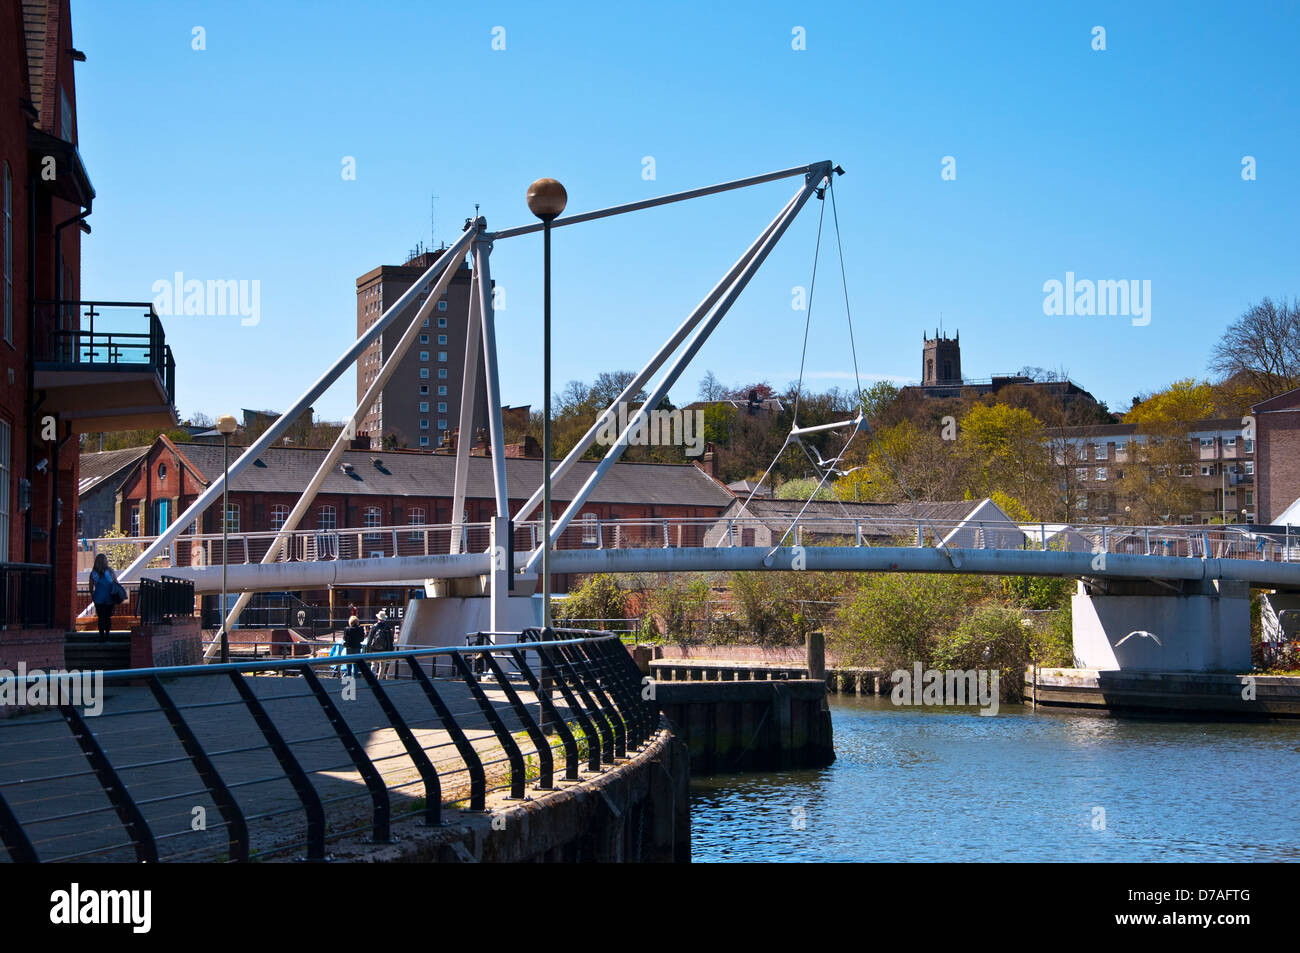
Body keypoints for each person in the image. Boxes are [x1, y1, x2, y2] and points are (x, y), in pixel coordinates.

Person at [88, 554, 121, 643]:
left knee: (101, 617)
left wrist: (93, 595)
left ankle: (101, 636)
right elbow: (115, 582)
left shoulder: (93, 573)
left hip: (98, 598)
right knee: (107, 617)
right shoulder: (109, 571)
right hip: (109, 597)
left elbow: (91, 587)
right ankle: (107, 636)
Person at [366, 609, 396, 677]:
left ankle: (372, 679)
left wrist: (368, 650)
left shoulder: (374, 627)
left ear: (378, 618)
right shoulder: (387, 628)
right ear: (384, 619)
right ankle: (380, 679)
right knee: (382, 666)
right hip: (384, 650)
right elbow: (390, 640)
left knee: (374, 665)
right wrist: (390, 650)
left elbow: (369, 639)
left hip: (374, 649)